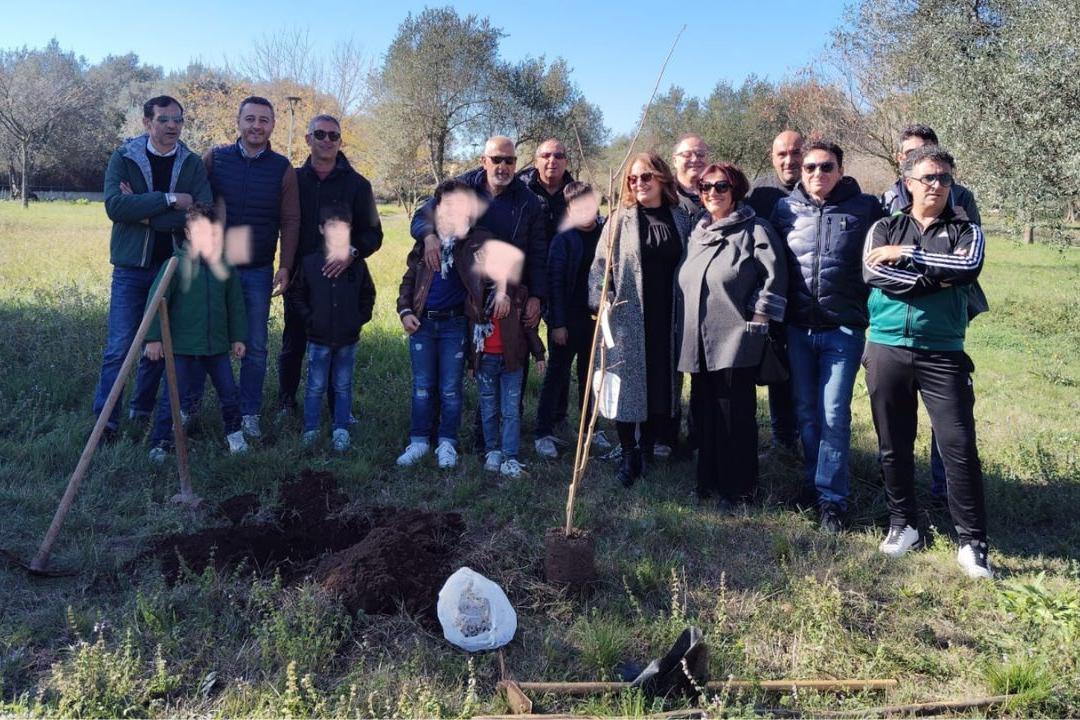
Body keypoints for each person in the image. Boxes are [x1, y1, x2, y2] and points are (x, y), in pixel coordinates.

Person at [863, 145, 992, 579]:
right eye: (928, 178)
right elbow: (872, 273)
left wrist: (909, 256)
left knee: (958, 446)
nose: (937, 185)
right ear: (908, 183)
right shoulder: (883, 226)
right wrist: (937, 277)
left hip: (943, 352)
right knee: (892, 444)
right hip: (886, 347)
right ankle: (904, 526)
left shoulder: (966, 230)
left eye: (945, 178)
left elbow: (968, 266)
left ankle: (972, 542)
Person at [771, 140, 885, 532]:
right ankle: (814, 483)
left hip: (843, 329)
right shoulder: (784, 209)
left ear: (840, 170)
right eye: (810, 167)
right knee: (805, 412)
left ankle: (833, 501)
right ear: (800, 172)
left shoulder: (865, 208)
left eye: (826, 166)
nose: (817, 173)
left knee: (833, 413)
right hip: (798, 329)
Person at [95, 95, 211, 441]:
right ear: (147, 122)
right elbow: (115, 207)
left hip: (173, 267)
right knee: (120, 346)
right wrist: (169, 200)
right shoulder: (124, 157)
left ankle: (141, 411)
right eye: (164, 119)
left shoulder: (191, 162)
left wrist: (143, 213)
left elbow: (202, 212)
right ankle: (106, 423)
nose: (173, 126)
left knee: (158, 346)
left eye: (178, 120)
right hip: (132, 267)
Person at [881, 123, 985, 500]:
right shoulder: (886, 199)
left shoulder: (960, 196)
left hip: (944, 319)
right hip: (896, 321)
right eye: (912, 153)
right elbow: (876, 264)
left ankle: (944, 489)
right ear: (901, 160)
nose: (921, 158)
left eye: (927, 150)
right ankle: (899, 495)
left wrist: (912, 261)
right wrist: (929, 273)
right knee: (896, 418)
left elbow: (965, 257)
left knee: (947, 417)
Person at [677, 163, 787, 507]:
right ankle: (707, 481)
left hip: (735, 338)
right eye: (705, 187)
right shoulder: (698, 232)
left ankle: (738, 489)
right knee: (704, 412)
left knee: (733, 415)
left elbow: (774, 278)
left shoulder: (755, 229)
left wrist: (758, 318)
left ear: (735, 190)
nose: (713, 193)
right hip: (698, 339)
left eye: (721, 186)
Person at [588, 152, 692, 487]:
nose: (639, 183)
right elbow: (600, 267)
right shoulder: (620, 219)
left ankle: (646, 447)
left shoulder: (681, 218)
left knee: (657, 384)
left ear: (662, 178)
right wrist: (601, 300)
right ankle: (628, 452)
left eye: (646, 176)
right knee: (626, 385)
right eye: (633, 179)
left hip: (668, 315)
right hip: (628, 316)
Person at [202, 96, 301, 440]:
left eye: (263, 120)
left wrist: (285, 265)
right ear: (239, 122)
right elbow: (195, 201)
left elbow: (290, 221)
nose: (256, 126)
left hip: (258, 269)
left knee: (255, 346)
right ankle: (189, 407)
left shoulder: (282, 168)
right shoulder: (215, 158)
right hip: (215, 267)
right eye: (250, 119)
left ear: (272, 125)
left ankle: (249, 414)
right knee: (205, 339)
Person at [277, 114, 383, 416]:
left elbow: (374, 234)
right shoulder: (293, 180)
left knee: (339, 346)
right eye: (320, 134)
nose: (326, 140)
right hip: (300, 277)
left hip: (341, 280)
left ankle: (339, 408)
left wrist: (352, 251)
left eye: (333, 135)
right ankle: (286, 402)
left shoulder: (358, 185)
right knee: (293, 342)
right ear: (308, 139)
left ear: (340, 141)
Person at [397, 180, 491, 469]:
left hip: (455, 326)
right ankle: (419, 440)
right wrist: (405, 311)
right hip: (423, 324)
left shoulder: (474, 243)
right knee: (422, 386)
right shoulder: (425, 243)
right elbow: (408, 282)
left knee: (451, 388)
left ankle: (447, 442)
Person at [144, 204, 247, 461]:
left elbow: (235, 304)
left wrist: (237, 337)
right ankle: (160, 442)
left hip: (216, 346)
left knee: (229, 392)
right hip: (182, 346)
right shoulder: (175, 265)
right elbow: (156, 301)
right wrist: (153, 338)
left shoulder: (225, 265)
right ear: (188, 233)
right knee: (173, 396)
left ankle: (235, 435)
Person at [534, 182, 609, 458]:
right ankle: (543, 432)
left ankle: (590, 429)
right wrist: (557, 324)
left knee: (591, 376)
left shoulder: (605, 235)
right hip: (568, 319)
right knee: (557, 375)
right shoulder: (563, 240)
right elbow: (554, 285)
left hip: (596, 320)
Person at [293, 205, 376, 452]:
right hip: (318, 337)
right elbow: (297, 294)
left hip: (347, 338)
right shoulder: (310, 263)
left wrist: (358, 319)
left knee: (343, 385)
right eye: (332, 227)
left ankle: (341, 428)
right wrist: (310, 319)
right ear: (321, 229)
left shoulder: (357, 265)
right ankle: (311, 429)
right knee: (315, 386)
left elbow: (368, 294)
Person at [747, 130, 804, 453]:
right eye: (782, 154)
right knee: (779, 371)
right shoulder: (760, 193)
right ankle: (784, 440)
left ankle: (816, 440)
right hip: (773, 298)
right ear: (772, 157)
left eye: (795, 152)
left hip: (813, 299)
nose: (789, 160)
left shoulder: (821, 185)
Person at [470, 277, 546, 479]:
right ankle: (492, 451)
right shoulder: (475, 294)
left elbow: (529, 328)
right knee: (488, 408)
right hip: (485, 361)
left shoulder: (519, 293)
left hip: (512, 362)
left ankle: (510, 455)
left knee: (511, 410)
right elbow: (470, 328)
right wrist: (471, 363)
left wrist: (539, 354)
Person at [518, 138, 575, 244]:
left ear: (566, 163)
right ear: (536, 162)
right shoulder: (519, 190)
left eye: (558, 156)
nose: (552, 160)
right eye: (546, 155)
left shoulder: (578, 194)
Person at [671, 133, 710, 218]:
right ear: (675, 160)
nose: (695, 159)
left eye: (700, 154)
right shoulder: (664, 193)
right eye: (687, 154)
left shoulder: (721, 190)